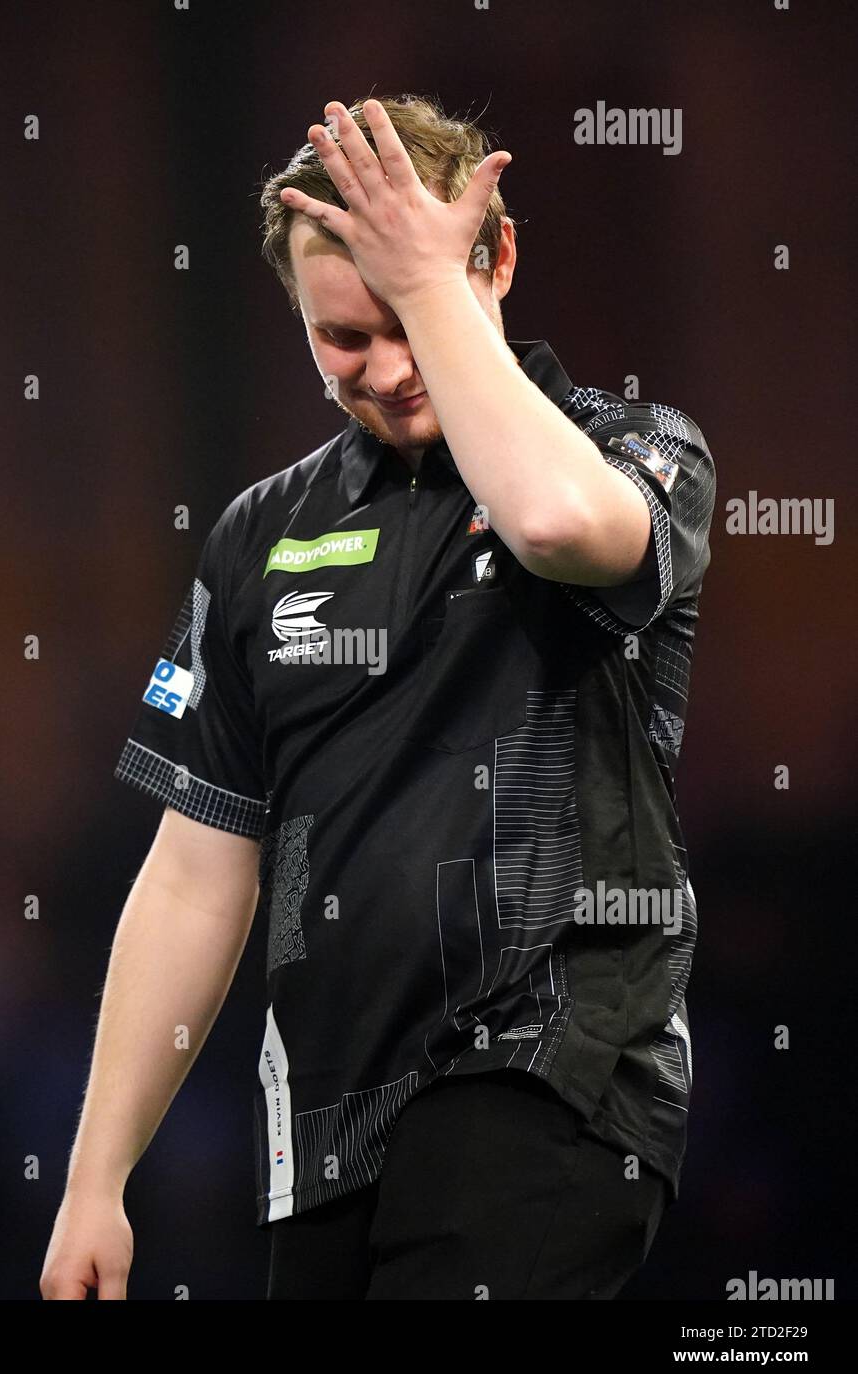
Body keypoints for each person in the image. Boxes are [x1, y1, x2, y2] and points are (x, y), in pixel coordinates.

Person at [40, 94, 715, 1301]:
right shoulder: (258, 534)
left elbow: (559, 525)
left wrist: (432, 293)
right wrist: (97, 1178)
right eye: (343, 337)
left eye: (412, 315)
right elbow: (196, 870)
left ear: (495, 260)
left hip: (545, 1078)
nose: (391, 370)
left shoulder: (632, 446)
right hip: (322, 1134)